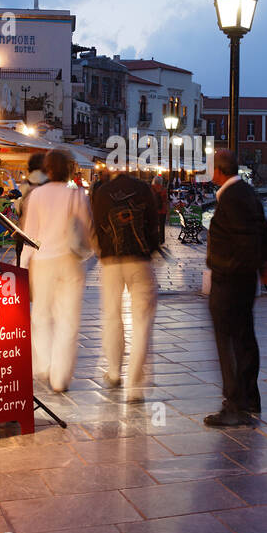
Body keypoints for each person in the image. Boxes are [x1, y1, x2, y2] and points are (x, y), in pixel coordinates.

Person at [204, 149, 267, 427]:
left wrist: (228, 268)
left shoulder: (233, 198)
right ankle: (249, 399)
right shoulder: (246, 194)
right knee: (245, 339)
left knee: (230, 343)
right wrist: (264, 267)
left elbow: (249, 238)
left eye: (211, 166)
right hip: (243, 279)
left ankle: (234, 405)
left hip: (230, 281)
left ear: (219, 170)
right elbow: (265, 231)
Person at [21, 149, 92, 393]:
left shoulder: (37, 195)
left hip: (42, 261)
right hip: (70, 261)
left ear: (47, 169)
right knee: (68, 320)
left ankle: (44, 365)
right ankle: (60, 377)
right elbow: (86, 230)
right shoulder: (77, 194)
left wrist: (23, 264)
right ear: (69, 169)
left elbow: (29, 234)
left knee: (40, 316)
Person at [92, 165, 162, 403]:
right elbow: (154, 225)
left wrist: (101, 251)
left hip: (111, 261)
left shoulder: (101, 191)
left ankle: (113, 372)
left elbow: (96, 226)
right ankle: (135, 385)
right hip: (140, 260)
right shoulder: (143, 189)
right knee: (142, 322)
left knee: (112, 317)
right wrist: (152, 249)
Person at [13, 153, 48, 268]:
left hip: (27, 231)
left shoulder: (25, 185)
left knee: (26, 264)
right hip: (47, 232)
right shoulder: (51, 184)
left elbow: (17, 206)